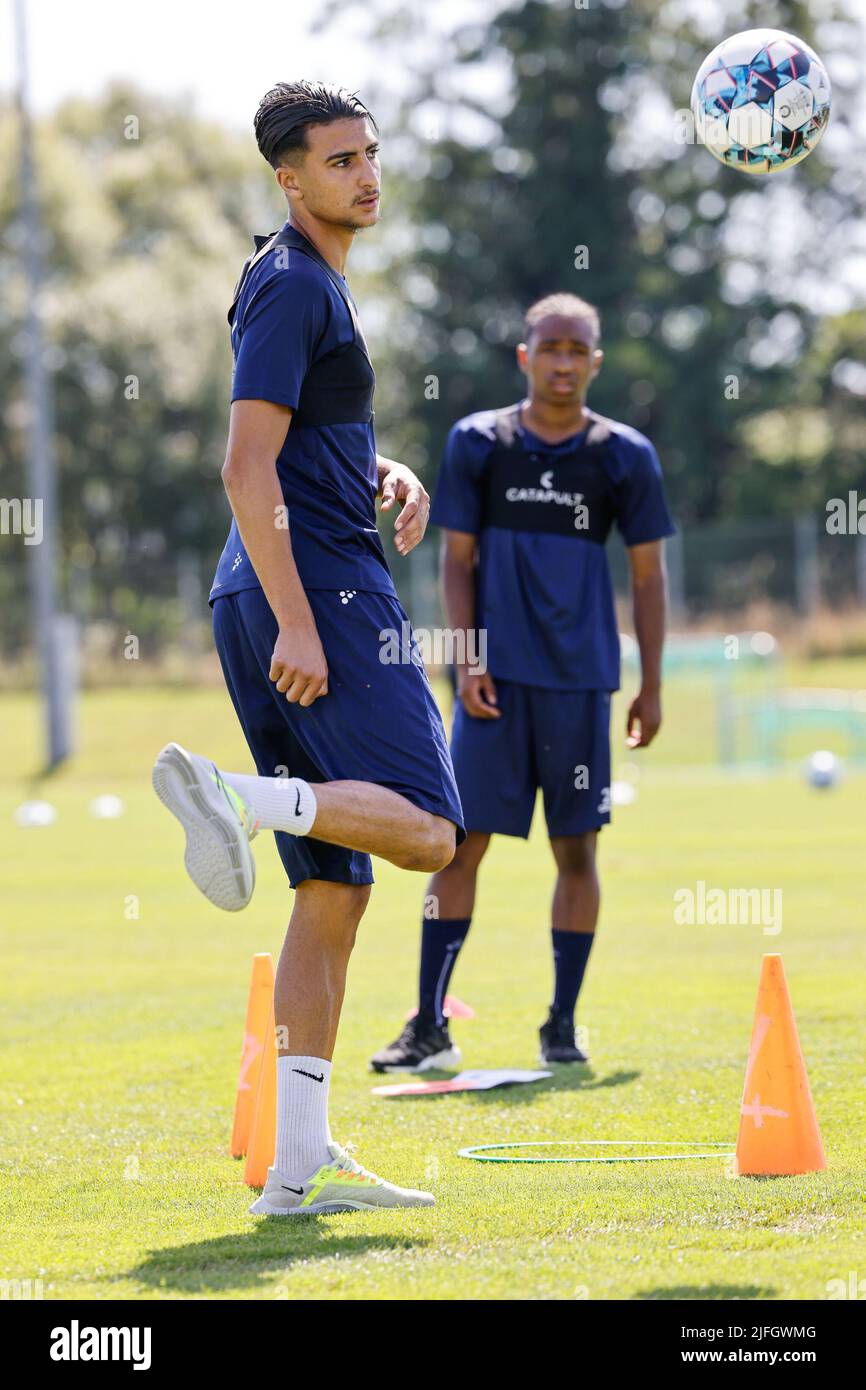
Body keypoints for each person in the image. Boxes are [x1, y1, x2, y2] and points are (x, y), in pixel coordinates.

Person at [152, 80, 464, 1216]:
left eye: (370, 155)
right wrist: (299, 617)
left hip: (268, 591)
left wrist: (378, 470)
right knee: (431, 835)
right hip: (314, 596)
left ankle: (295, 1170)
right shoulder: (290, 282)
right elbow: (243, 467)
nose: (365, 176)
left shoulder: (294, 280)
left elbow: (292, 447)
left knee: (332, 893)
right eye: (339, 161)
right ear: (289, 178)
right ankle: (241, 799)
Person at [370, 293, 675, 1073]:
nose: (564, 363)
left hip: (580, 688)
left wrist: (652, 683)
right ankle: (430, 1024)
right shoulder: (480, 443)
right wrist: (467, 661)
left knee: (577, 854)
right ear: (525, 358)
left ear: (595, 362)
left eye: (579, 350)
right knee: (456, 847)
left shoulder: (623, 456)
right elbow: (455, 561)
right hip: (493, 687)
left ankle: (562, 1025)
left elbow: (647, 578)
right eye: (551, 349)